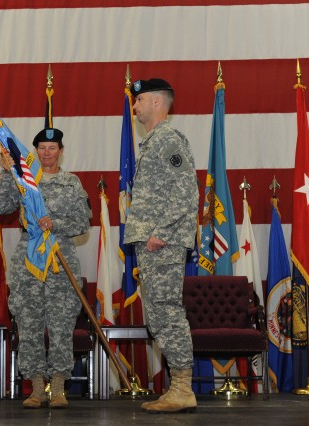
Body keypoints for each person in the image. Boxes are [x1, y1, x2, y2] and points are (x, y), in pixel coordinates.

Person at [0, 128, 91, 409]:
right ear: (34, 152)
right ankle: (36, 389)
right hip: (29, 261)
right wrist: (8, 173)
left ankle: (57, 388)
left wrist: (55, 224)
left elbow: (83, 222)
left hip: (61, 259)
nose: (47, 153)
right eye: (42, 148)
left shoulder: (72, 183)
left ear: (61, 150)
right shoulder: (24, 180)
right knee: (29, 323)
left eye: (52, 147)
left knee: (61, 325)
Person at [124, 78, 199, 413]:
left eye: (139, 99)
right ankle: (177, 386)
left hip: (161, 242)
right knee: (158, 314)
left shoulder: (168, 139)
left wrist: (162, 233)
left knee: (166, 311)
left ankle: (182, 388)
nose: (134, 105)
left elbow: (186, 191)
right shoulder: (153, 142)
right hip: (153, 241)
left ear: (156, 102)